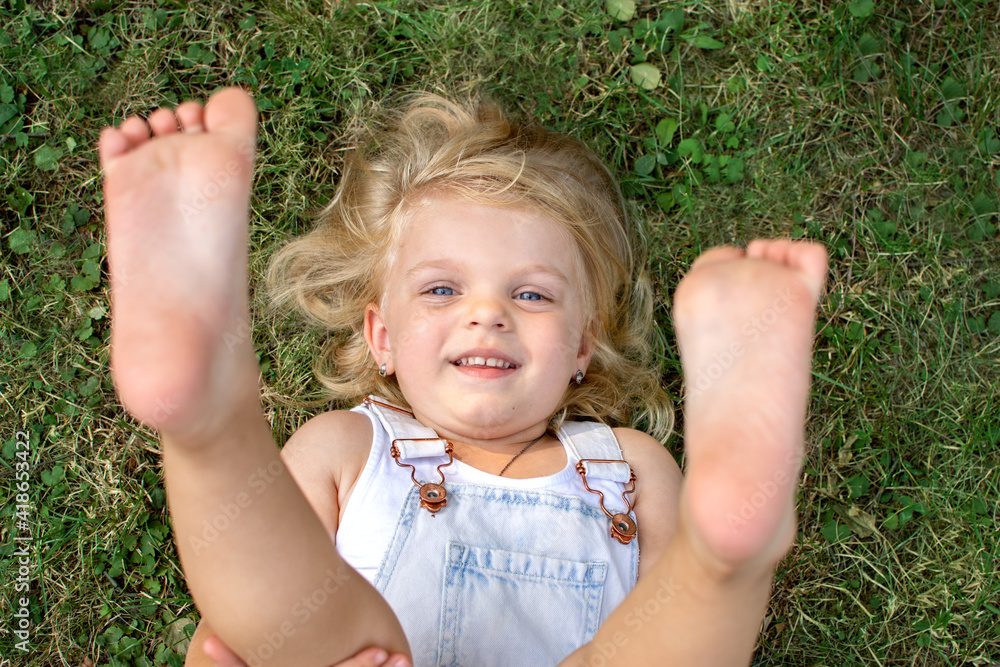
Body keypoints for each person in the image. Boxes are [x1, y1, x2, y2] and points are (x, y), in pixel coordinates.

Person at [99, 87, 827, 667]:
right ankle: (211, 418)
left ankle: (724, 550)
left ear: (583, 344)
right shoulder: (348, 448)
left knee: (642, 639)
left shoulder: (628, 465)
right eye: (443, 290)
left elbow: (667, 634)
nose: (488, 314)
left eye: (533, 294)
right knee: (320, 634)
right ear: (381, 335)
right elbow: (239, 615)